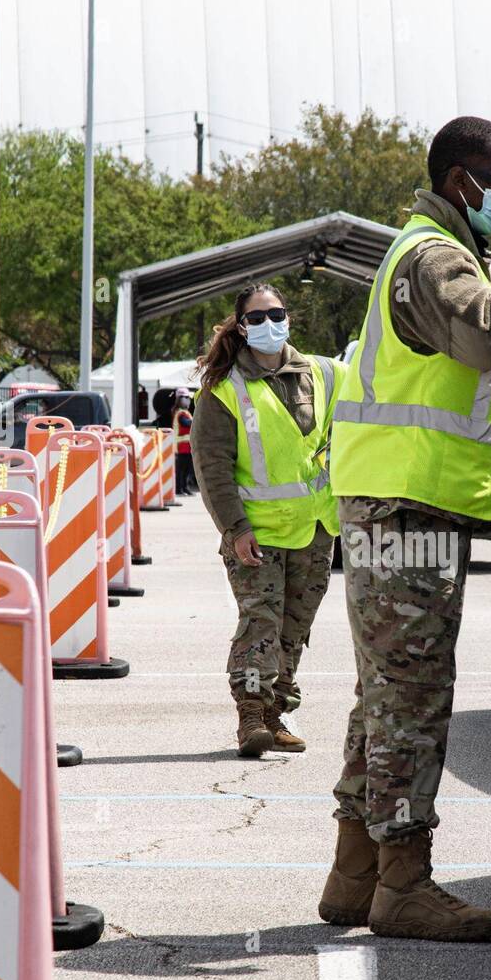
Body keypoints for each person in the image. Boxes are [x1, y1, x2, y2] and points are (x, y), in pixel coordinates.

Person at [320, 115, 491, 943]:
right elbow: (484, 335)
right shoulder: (434, 257)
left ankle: (356, 873)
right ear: (460, 182)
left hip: (405, 503)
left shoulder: (442, 253)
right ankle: (402, 883)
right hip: (402, 508)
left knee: (385, 693)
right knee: (410, 696)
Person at [191, 283, 344, 756]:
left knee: (295, 626)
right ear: (241, 327)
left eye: (275, 314)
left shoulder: (325, 375)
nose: (268, 324)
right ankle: (252, 716)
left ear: (288, 317)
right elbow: (211, 466)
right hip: (255, 534)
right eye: (256, 318)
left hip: (315, 528)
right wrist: (235, 529)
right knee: (260, 623)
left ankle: (277, 712)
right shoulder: (224, 390)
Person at [172, 389, 195, 495]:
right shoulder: (181, 413)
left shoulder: (184, 412)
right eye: (186, 398)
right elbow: (186, 424)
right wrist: (197, 420)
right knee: (181, 470)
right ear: (180, 399)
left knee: (187, 469)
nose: (188, 400)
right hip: (182, 446)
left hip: (187, 446)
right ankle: (179, 489)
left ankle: (184, 487)